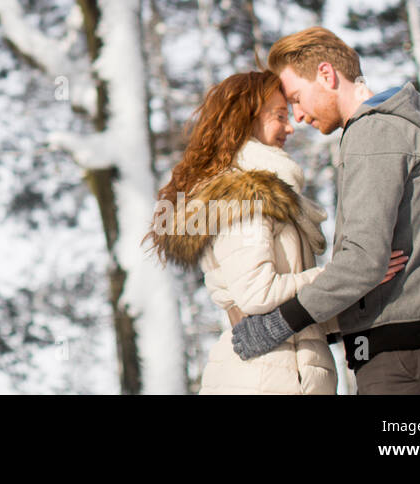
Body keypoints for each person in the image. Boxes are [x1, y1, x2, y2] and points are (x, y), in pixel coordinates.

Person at [232, 27, 420, 394]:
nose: (298, 117)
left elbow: (363, 261)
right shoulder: (386, 129)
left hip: (405, 357)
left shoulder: (373, 132)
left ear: (326, 75)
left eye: (296, 98)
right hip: (408, 351)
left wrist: (279, 323)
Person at [145, 70, 405, 394]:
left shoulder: (269, 196)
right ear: (247, 119)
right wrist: (344, 274)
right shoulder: (245, 195)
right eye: (279, 116)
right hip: (261, 378)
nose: (290, 126)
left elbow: (298, 314)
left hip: (286, 371)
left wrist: (358, 287)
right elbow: (257, 294)